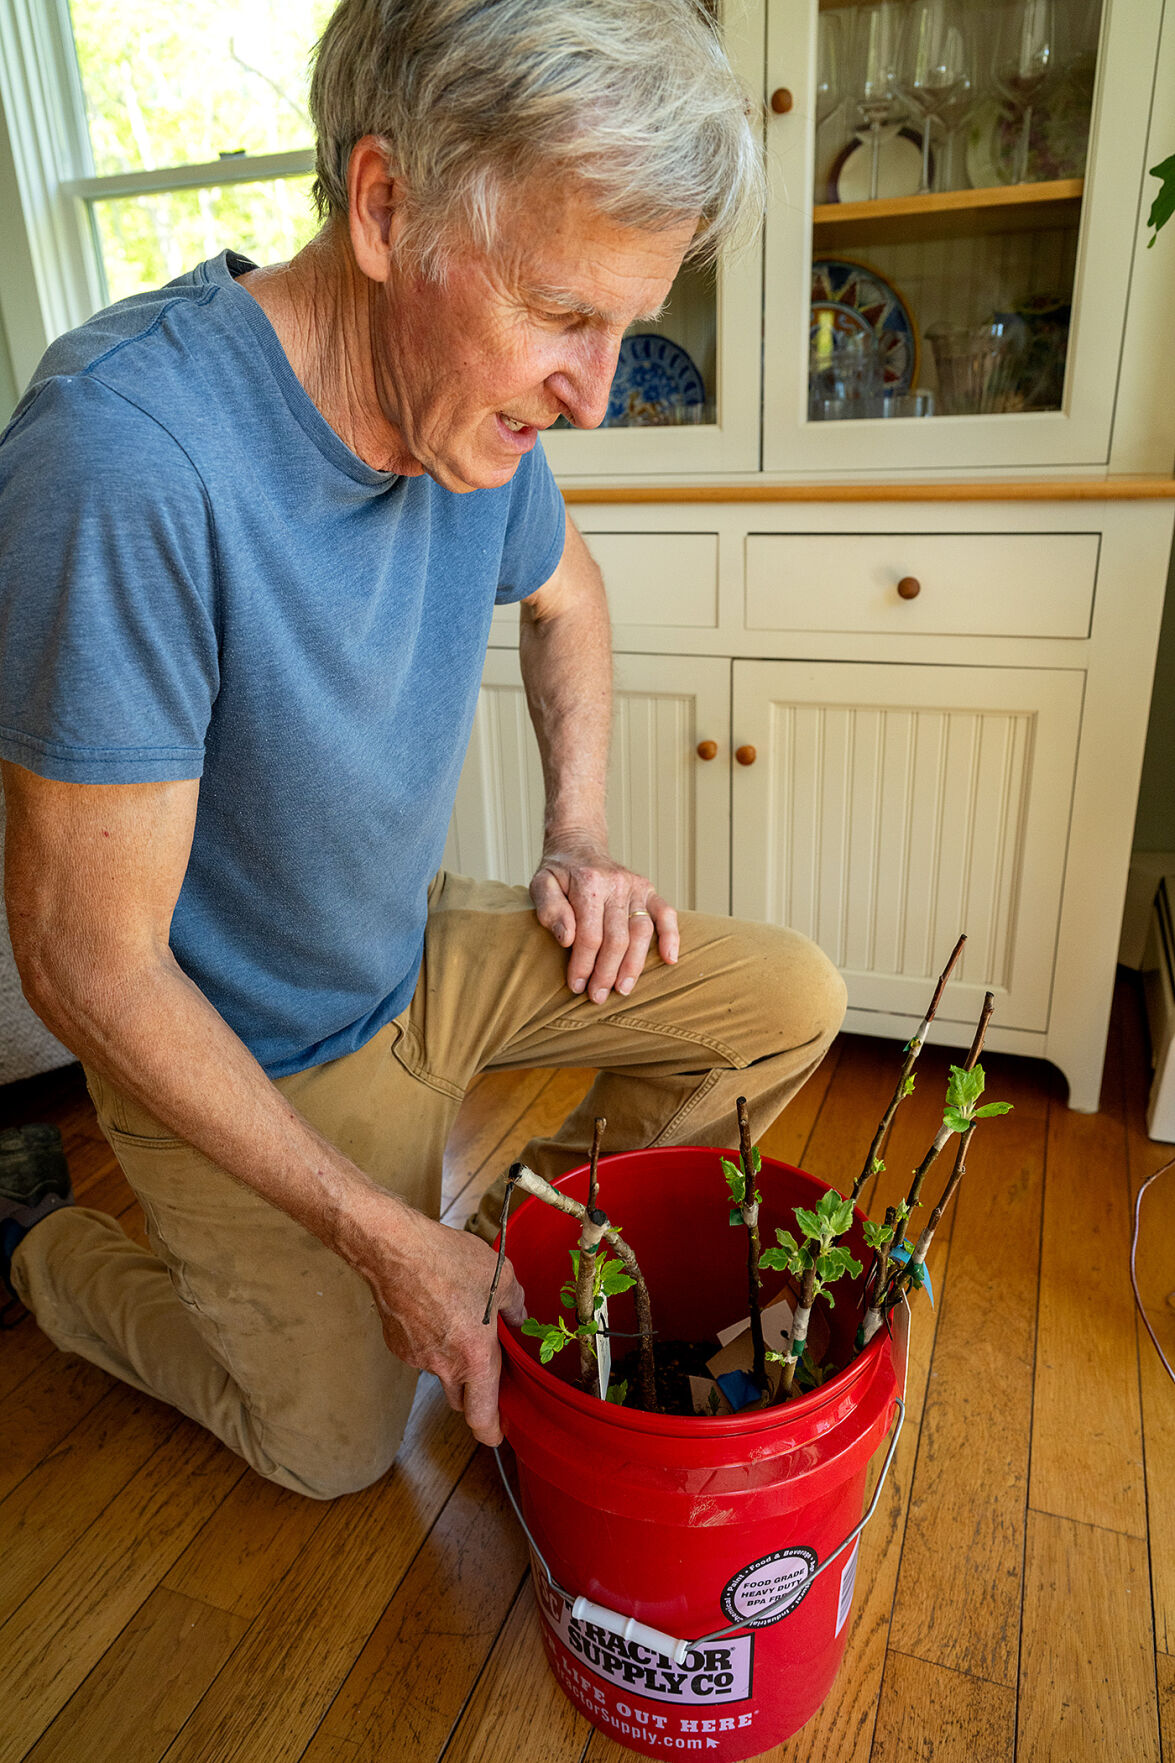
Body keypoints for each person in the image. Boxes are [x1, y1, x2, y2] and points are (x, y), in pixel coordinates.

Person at [0, 0, 846, 1499]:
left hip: (416, 952)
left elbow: (566, 596)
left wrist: (575, 834)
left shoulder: (476, 414)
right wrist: (378, 1232)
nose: (595, 393)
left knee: (785, 1001)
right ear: (386, 206)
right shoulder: (122, 455)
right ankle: (40, 1247)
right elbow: (85, 963)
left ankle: (511, 1252)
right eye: (563, 314)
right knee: (331, 1452)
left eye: (626, 329)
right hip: (239, 1045)